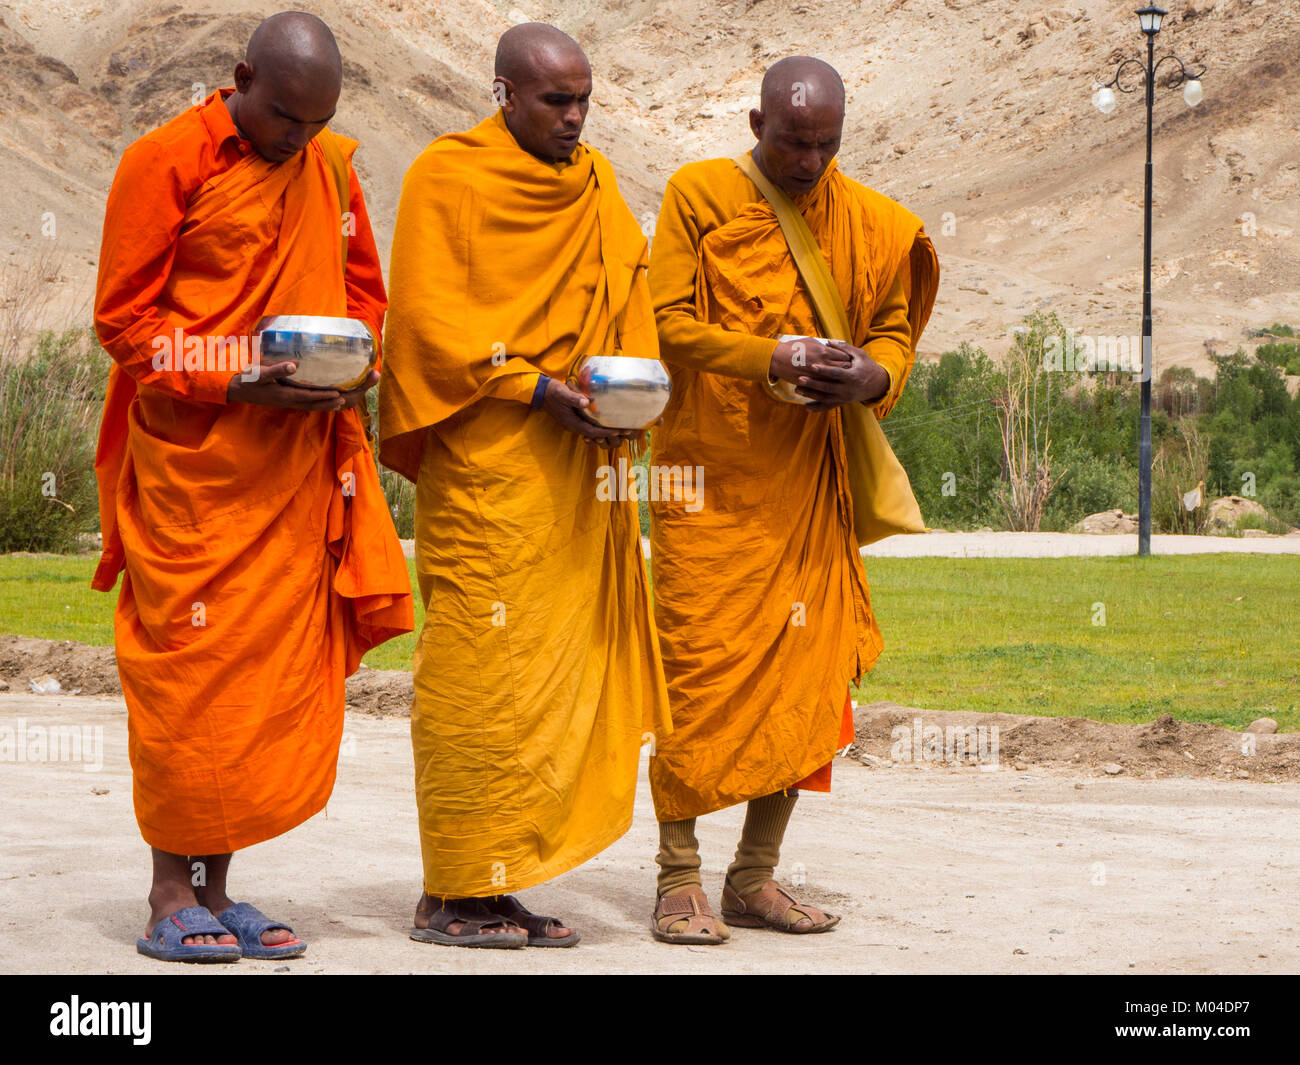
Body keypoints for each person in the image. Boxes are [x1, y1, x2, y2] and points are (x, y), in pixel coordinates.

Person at [92, 11, 413, 963]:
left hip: (293, 462)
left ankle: (218, 889)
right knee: (192, 677)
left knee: (255, 683)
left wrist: (350, 366)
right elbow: (125, 323)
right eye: (282, 116)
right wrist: (236, 374)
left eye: (316, 123)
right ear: (240, 77)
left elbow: (364, 299)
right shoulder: (165, 160)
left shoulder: (330, 169)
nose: (297, 140)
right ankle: (164, 892)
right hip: (196, 466)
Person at [380, 22, 671, 949]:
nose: (574, 119)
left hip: (576, 475)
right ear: (502, 90)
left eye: (584, 100)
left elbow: (630, 296)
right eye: (555, 100)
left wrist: (620, 390)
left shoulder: (595, 184)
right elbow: (426, 324)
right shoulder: (447, 176)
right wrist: (535, 387)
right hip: (489, 472)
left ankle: (500, 881)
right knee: (479, 667)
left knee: (551, 675)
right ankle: (450, 890)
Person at [645, 56, 940, 943]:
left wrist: (875, 369)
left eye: (826, 145)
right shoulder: (697, 196)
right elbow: (662, 321)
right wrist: (769, 354)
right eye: (792, 141)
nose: (810, 161)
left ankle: (755, 876)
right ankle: (678, 876)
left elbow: (891, 316)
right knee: (697, 678)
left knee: (804, 680)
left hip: (810, 480)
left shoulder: (868, 220)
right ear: (753, 125)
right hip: (709, 481)